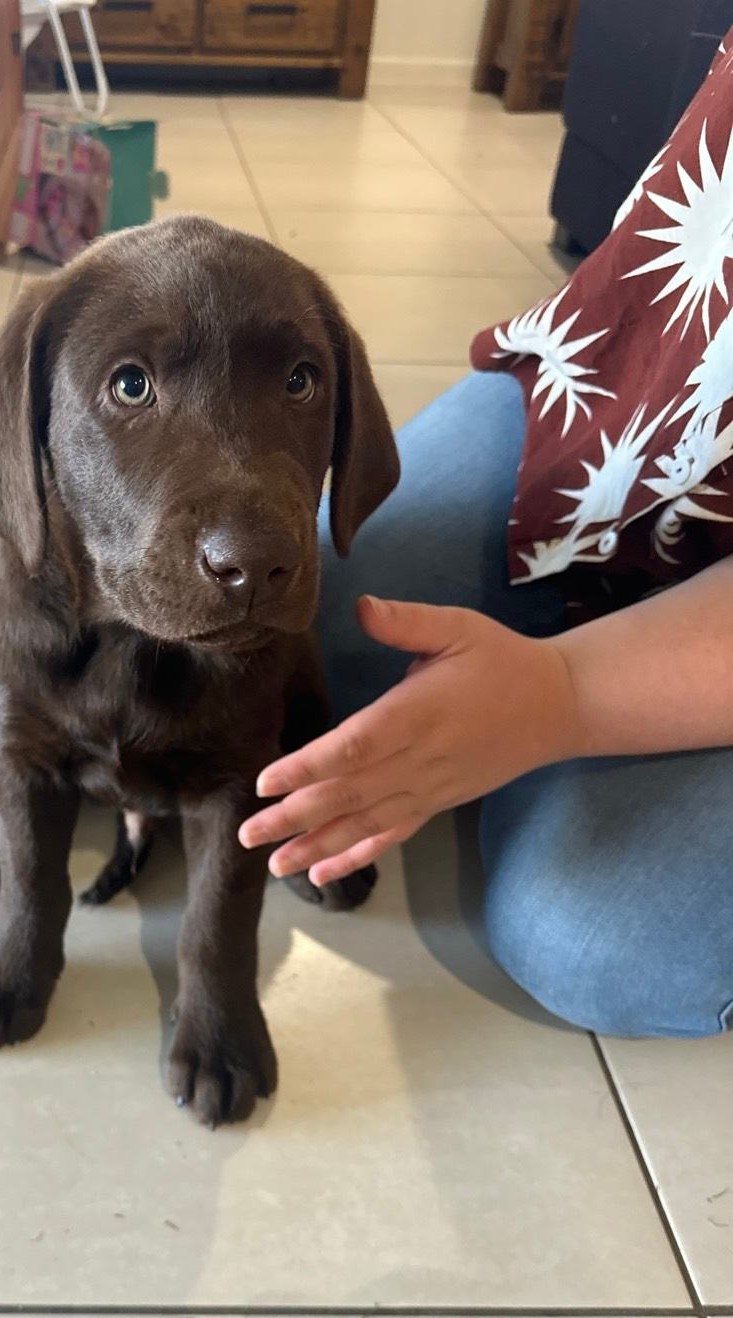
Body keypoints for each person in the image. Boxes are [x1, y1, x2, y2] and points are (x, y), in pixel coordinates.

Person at [241, 31, 733, 1040]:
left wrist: (564, 696)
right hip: (652, 391)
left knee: (595, 931)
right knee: (302, 610)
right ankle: (577, 672)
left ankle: (586, 699)